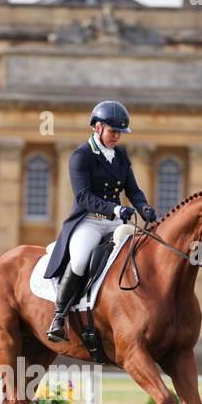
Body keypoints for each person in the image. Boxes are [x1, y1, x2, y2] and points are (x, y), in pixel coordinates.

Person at [45, 101, 157, 343]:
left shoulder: (120, 155)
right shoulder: (81, 156)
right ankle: (59, 317)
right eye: (113, 131)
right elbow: (83, 196)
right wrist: (116, 208)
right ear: (97, 128)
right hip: (89, 221)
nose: (117, 136)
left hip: (115, 222)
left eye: (120, 132)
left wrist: (145, 208)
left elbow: (133, 190)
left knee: (141, 254)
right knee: (80, 259)